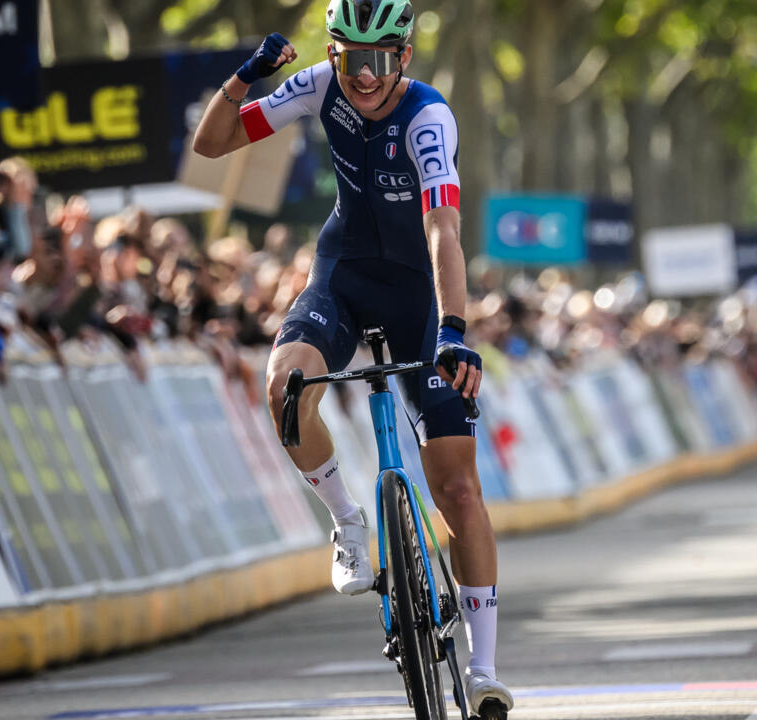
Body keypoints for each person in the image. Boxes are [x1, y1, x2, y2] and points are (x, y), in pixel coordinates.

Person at [192, 1, 513, 715]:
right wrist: (244, 79)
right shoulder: (319, 86)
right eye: (349, 59)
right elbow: (212, 146)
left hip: (418, 295)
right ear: (333, 54)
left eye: (378, 61)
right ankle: (349, 521)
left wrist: (454, 331)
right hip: (341, 276)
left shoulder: (428, 119)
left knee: (457, 488)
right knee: (285, 385)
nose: (362, 77)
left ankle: (485, 668)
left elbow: (443, 230)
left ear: (403, 58)